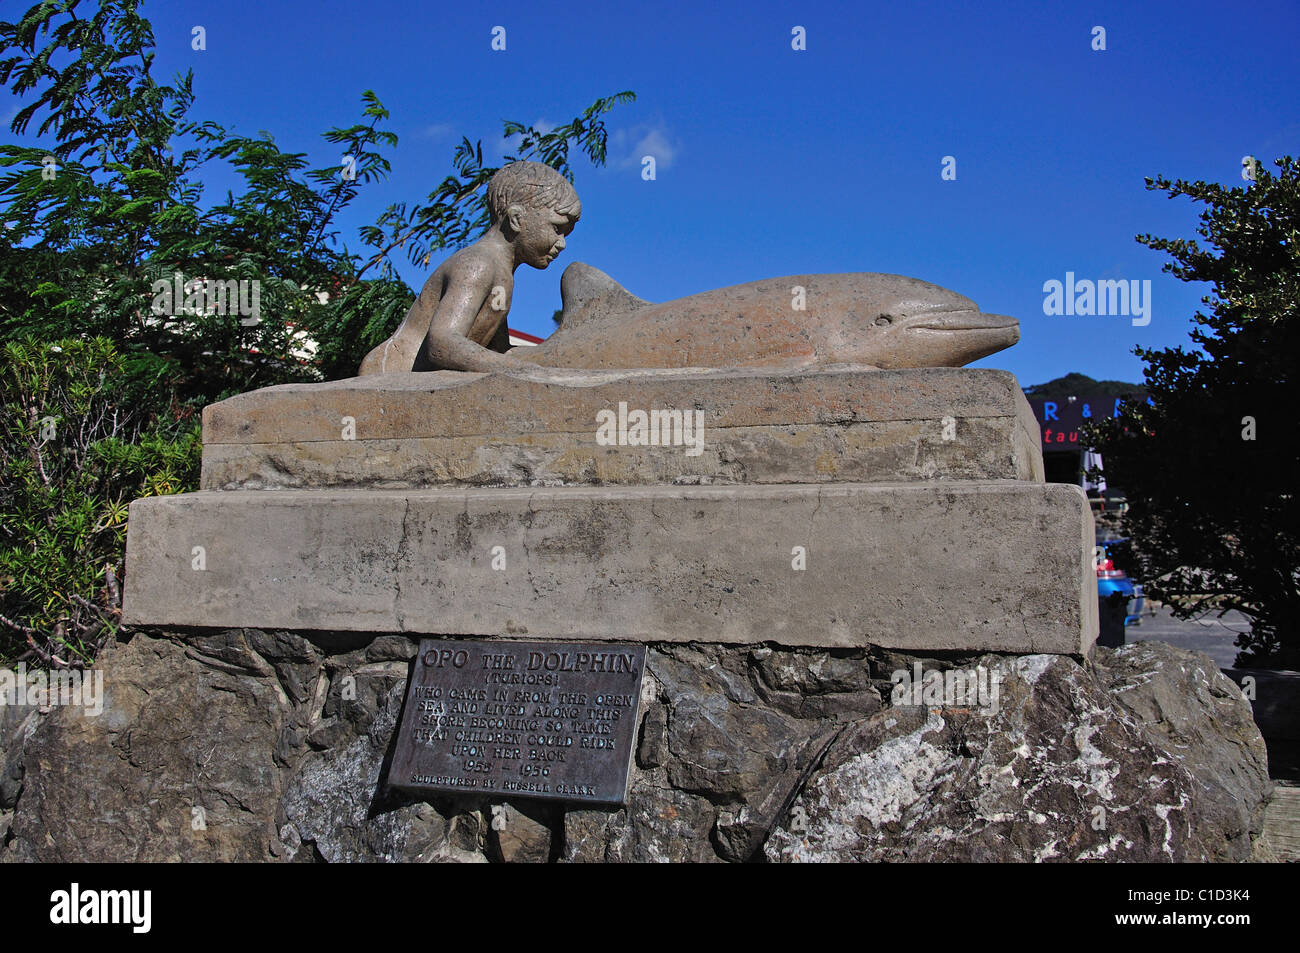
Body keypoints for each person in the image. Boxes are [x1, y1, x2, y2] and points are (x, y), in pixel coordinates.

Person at [358, 161, 580, 374]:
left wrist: (553, 359)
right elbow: (442, 344)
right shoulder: (478, 264)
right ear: (516, 219)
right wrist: (525, 371)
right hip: (389, 376)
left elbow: (497, 352)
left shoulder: (503, 275)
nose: (561, 243)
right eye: (557, 229)